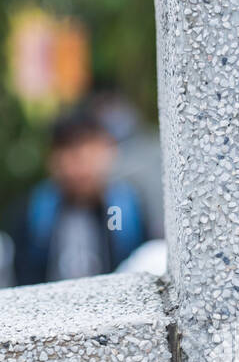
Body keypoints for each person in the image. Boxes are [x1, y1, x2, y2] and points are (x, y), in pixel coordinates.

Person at [9, 111, 150, 285]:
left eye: (89, 153)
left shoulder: (125, 209)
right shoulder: (35, 212)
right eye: (69, 154)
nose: (80, 167)